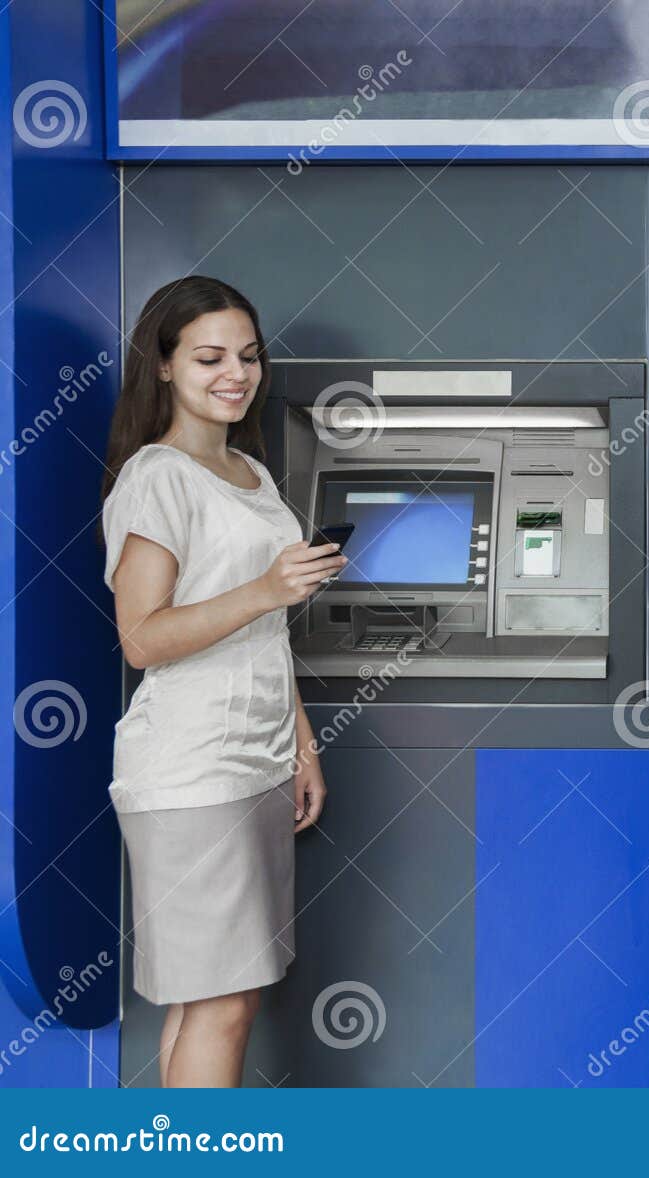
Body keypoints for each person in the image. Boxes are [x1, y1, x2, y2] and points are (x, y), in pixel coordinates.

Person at [99, 275, 347, 1087]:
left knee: (205, 1000)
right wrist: (267, 588)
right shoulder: (156, 475)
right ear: (163, 365)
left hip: (255, 762)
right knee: (225, 1002)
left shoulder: (249, 471)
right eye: (209, 358)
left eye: (248, 355)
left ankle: (174, 1147)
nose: (235, 374)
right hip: (191, 770)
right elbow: (142, 638)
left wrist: (301, 747)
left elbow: (264, 635)